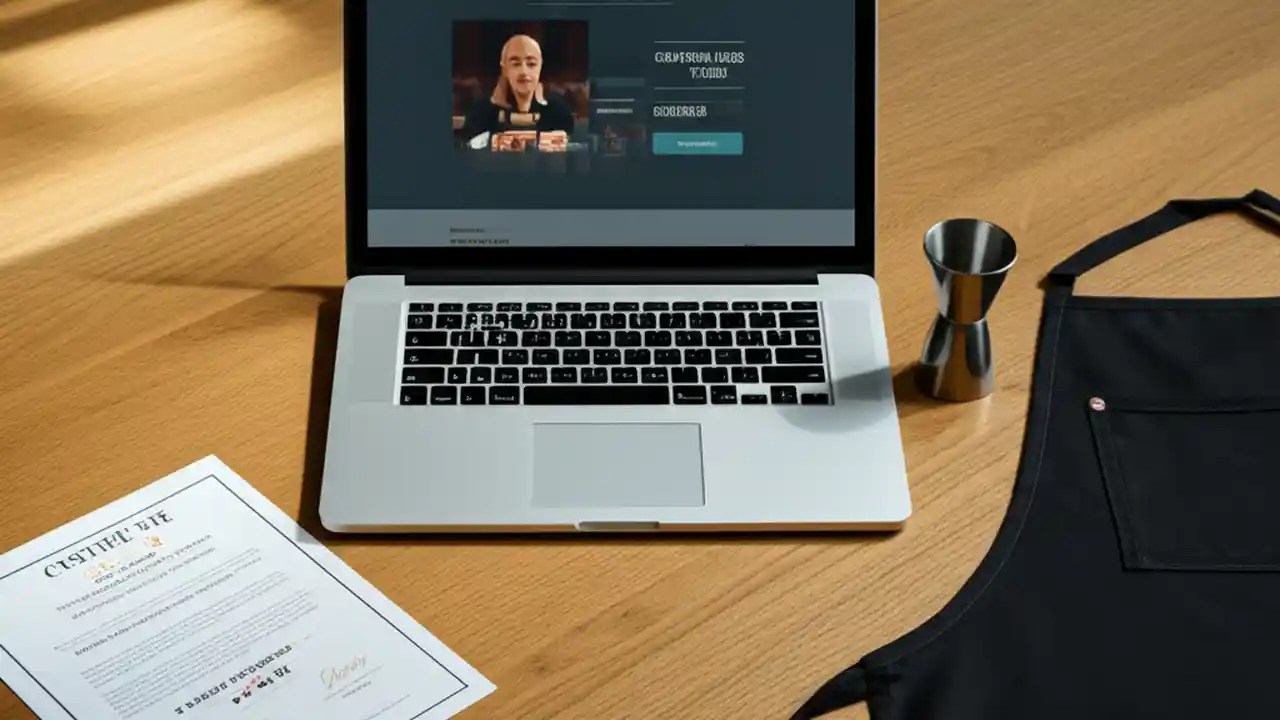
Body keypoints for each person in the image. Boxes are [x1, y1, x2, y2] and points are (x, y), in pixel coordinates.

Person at [460, 34, 575, 148]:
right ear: (504, 68)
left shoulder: (558, 109)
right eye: (516, 64)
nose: (524, 72)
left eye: (531, 64)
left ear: (540, 67)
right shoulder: (482, 110)